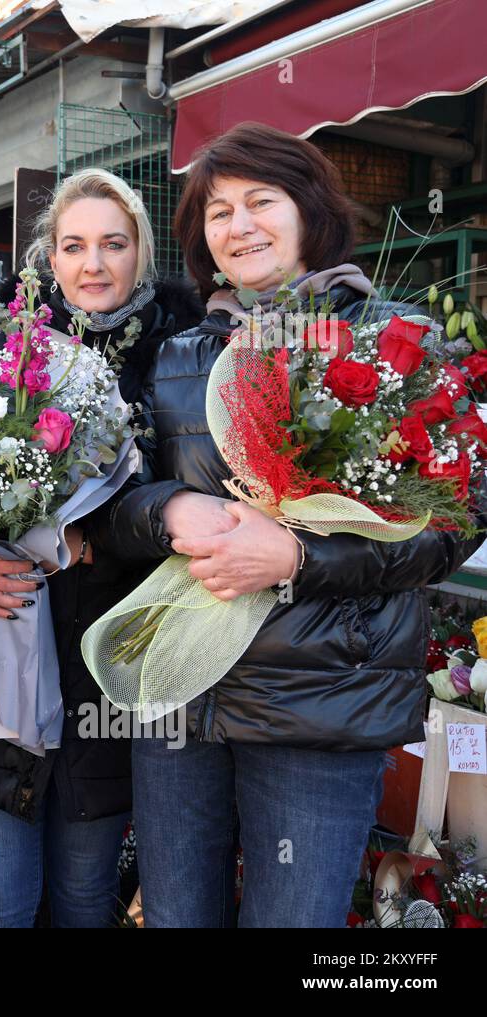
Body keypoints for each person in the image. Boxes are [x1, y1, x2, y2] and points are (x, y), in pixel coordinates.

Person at [102, 121, 480, 927]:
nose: (238, 226)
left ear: (307, 208)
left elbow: (452, 524)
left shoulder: (394, 340)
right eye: (217, 211)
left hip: (320, 703)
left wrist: (296, 556)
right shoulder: (178, 354)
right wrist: (167, 508)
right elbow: (114, 503)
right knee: (174, 917)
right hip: (184, 695)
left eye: (259, 202)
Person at [0, 168, 205, 928]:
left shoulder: (185, 358)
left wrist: (95, 542)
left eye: (113, 244)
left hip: (111, 670)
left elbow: (203, 509)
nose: (93, 264)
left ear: (140, 254)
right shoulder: (0, 361)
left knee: (87, 895)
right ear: (49, 258)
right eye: (74, 245)